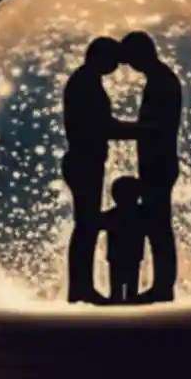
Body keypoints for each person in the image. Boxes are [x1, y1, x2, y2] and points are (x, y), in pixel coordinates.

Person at [61, 37, 141, 302]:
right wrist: (142, 131)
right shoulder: (85, 84)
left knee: (87, 225)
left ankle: (82, 287)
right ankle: (81, 288)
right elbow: (102, 127)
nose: (116, 67)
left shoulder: (86, 81)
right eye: (114, 61)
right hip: (84, 162)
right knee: (86, 226)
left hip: (86, 160)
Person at [120, 31, 182, 302]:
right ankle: (161, 284)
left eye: (131, 59)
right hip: (156, 162)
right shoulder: (160, 79)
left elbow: (157, 125)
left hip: (159, 163)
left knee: (159, 227)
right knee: (157, 225)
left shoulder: (162, 82)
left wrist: (121, 129)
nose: (130, 66)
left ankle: (163, 286)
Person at [100, 176, 146, 303]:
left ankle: (116, 297)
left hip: (116, 255)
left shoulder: (113, 214)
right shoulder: (140, 214)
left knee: (116, 281)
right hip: (134, 253)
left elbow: (100, 223)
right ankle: (131, 296)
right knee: (132, 278)